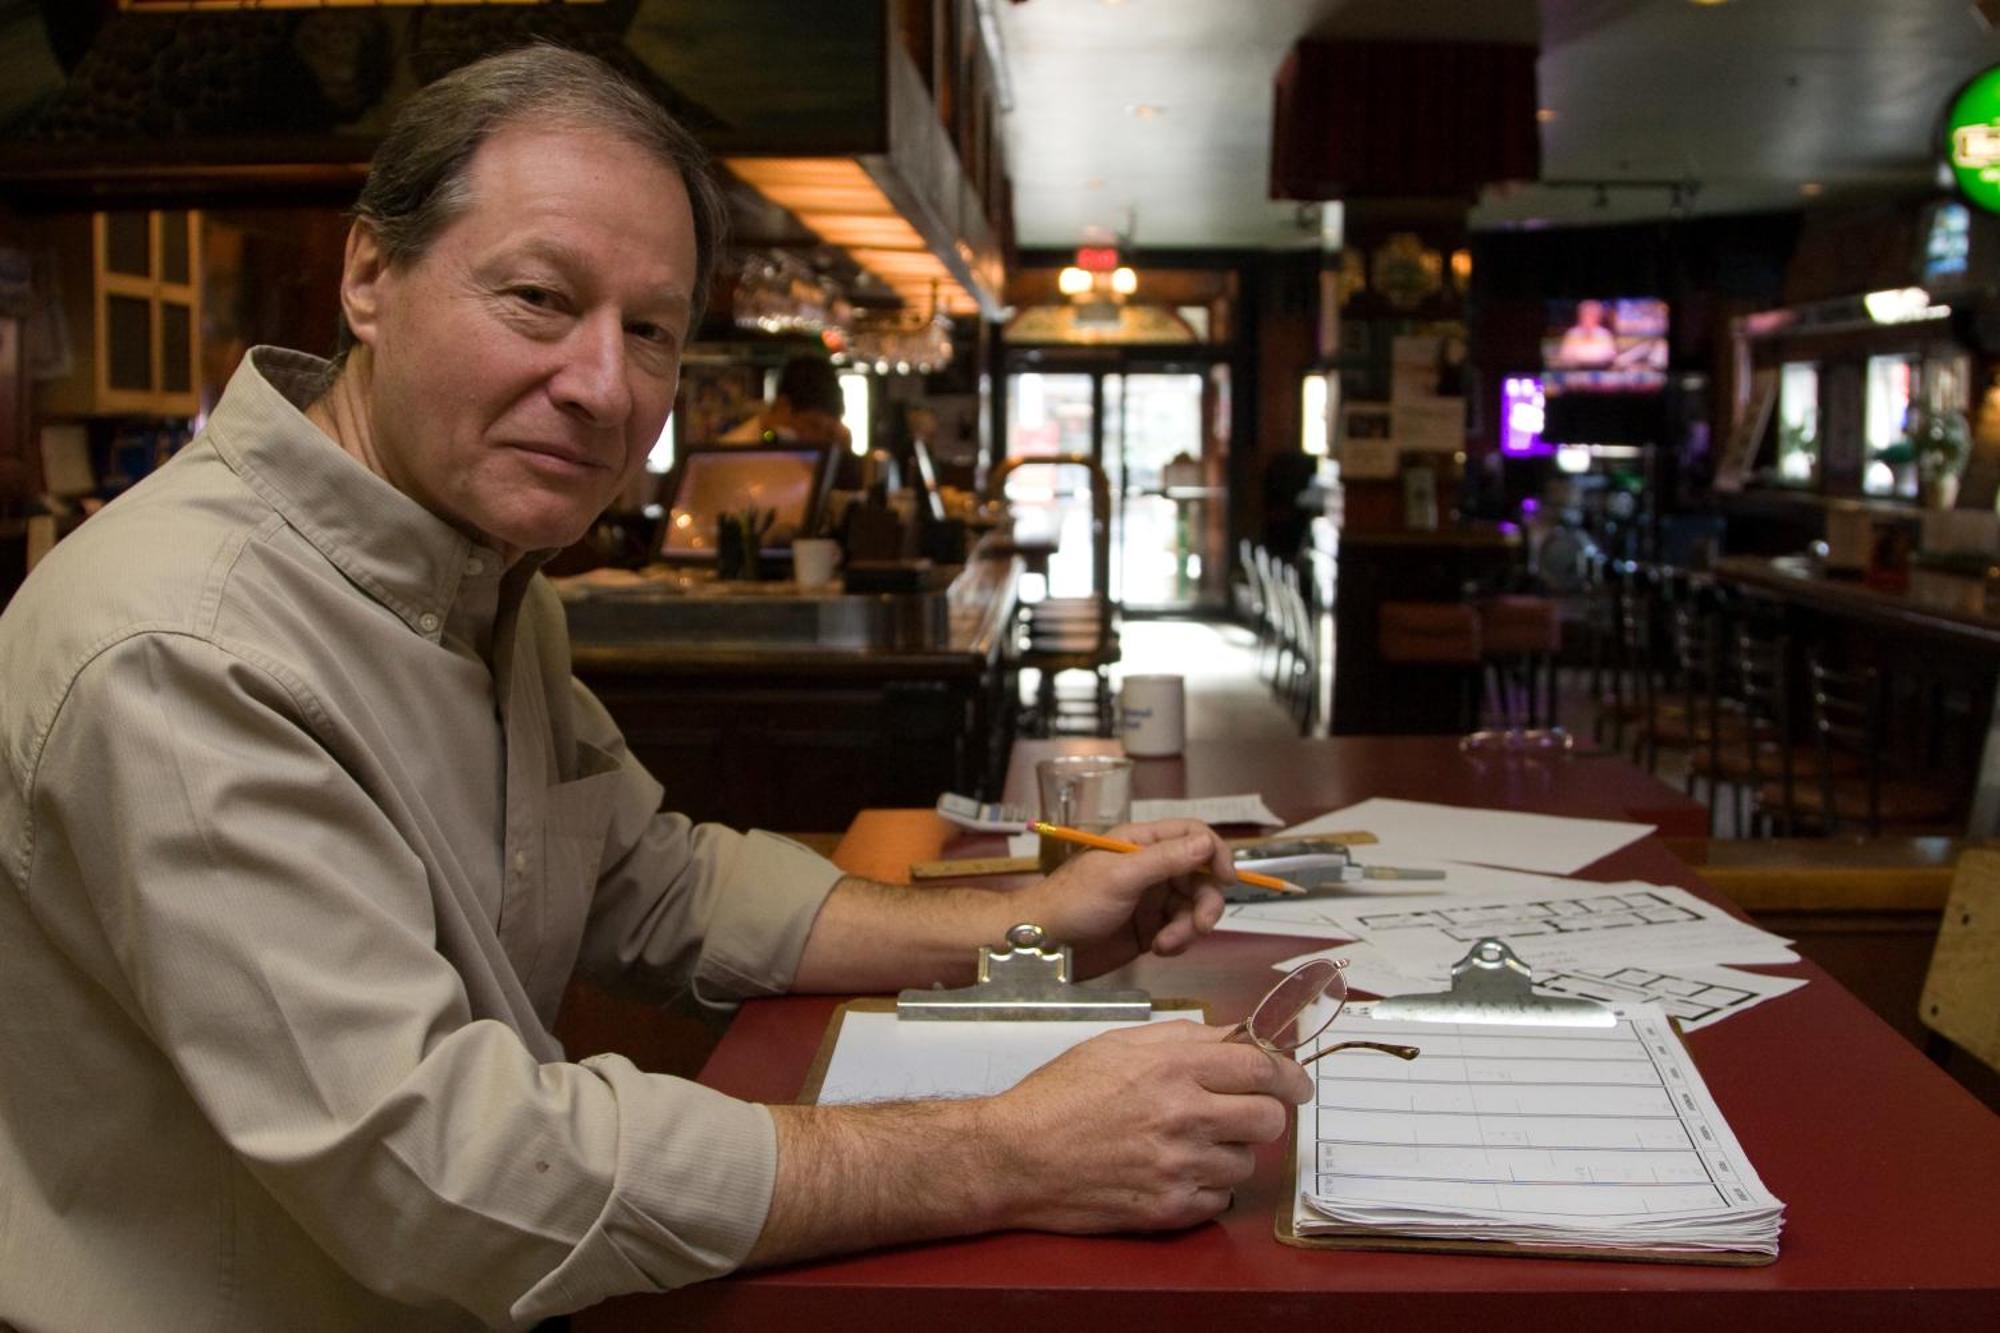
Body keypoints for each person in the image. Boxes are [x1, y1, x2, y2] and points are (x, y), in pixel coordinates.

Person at [0, 44, 1307, 1333]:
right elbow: (440, 1175)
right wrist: (1013, 1149)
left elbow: (658, 881)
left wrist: (1034, 921)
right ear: (369, 275)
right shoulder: (183, 648)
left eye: (652, 331)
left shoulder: (490, 582)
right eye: (536, 298)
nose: (603, 386)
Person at [720, 353, 853, 449]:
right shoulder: (734, 452)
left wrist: (846, 453)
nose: (819, 439)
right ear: (782, 405)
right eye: (813, 425)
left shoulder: (811, 448)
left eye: (828, 431)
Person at [1555, 298, 1617, 368]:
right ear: (1580, 316)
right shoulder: (1572, 334)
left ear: (1598, 317)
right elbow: (1565, 356)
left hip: (1600, 370)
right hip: (1576, 372)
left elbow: (1611, 356)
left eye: (1592, 315)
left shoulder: (1604, 334)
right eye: (1586, 314)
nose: (1588, 318)